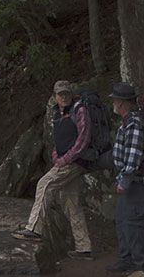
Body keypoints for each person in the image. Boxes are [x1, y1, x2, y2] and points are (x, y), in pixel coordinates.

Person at [12, 80, 94, 258]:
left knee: (44, 183)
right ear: (55, 96)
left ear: (71, 94)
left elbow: (83, 139)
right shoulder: (59, 113)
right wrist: (57, 156)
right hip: (67, 161)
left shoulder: (80, 110)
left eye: (66, 93)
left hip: (76, 162)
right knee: (72, 203)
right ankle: (84, 248)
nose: (63, 97)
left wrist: (65, 159)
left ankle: (34, 228)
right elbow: (60, 140)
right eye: (60, 94)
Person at [108, 82, 144, 275]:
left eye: (115, 100)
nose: (113, 103)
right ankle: (126, 259)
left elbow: (134, 154)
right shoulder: (127, 122)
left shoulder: (135, 123)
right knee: (122, 221)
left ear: (121, 102)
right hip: (130, 180)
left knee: (134, 224)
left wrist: (124, 180)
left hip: (138, 182)